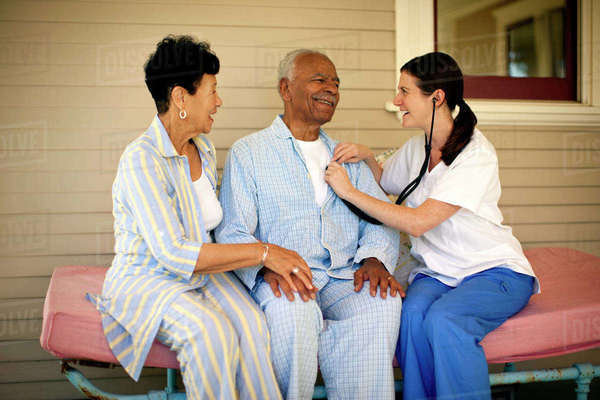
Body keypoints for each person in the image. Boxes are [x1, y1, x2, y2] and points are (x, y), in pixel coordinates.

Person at [88, 35, 314, 400]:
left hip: (202, 273)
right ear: (181, 97)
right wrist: (264, 252)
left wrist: (263, 259)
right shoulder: (142, 159)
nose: (219, 101)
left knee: (253, 324)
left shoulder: (203, 149)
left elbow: (214, 234)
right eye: (212, 90)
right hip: (150, 277)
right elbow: (174, 253)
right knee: (210, 333)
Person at [324, 52, 539, 400]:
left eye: (404, 92)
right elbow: (387, 182)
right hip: (438, 273)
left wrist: (347, 192)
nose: (397, 101)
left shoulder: (475, 154)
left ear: (436, 97)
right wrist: (366, 156)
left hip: (493, 271)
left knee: (444, 322)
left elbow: (420, 222)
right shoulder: (416, 149)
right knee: (409, 320)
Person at [215, 49, 403, 399]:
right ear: (286, 89)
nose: (331, 89)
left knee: (382, 302)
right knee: (294, 312)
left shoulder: (347, 157)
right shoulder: (250, 152)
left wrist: (374, 259)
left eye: (336, 83)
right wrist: (265, 265)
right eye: (319, 80)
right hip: (286, 278)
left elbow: (379, 218)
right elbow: (232, 231)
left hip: (344, 276)